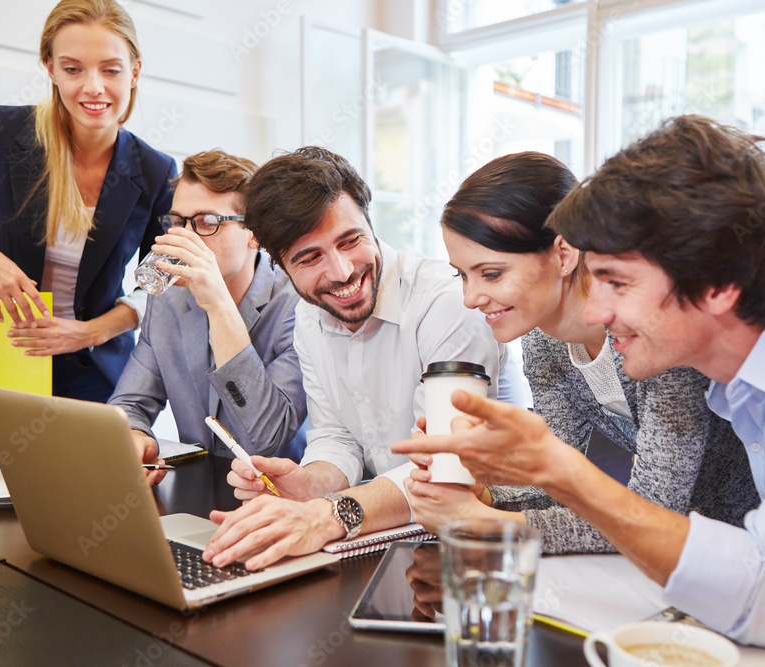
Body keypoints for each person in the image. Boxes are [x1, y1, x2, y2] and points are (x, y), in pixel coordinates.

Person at [393, 115, 765, 648]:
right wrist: (506, 484)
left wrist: (551, 475)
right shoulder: (736, 379)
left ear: (718, 283)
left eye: (616, 283)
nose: (598, 309)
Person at [404, 152, 759, 551]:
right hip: (676, 557)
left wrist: (485, 521)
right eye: (462, 275)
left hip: (744, 548)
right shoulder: (543, 344)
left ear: (564, 254)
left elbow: (651, 511)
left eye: (491, 273)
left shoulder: (651, 334)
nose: (470, 298)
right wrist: (484, 494)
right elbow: (561, 483)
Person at [200, 146, 524, 572]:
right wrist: (308, 483)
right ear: (279, 266)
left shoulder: (447, 302)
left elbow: (448, 471)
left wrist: (327, 514)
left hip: (492, 540)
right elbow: (337, 436)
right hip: (401, 536)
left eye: (350, 241)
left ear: (371, 222)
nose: (341, 272)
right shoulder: (309, 315)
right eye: (310, 258)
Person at [0, 0, 175, 402]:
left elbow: (161, 282)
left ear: (134, 71)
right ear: (51, 67)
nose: (93, 87)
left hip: (96, 366)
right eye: (73, 68)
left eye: (110, 69)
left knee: (89, 467)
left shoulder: (156, 170)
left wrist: (91, 331)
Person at [108, 150, 308, 485]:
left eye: (206, 223)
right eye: (177, 222)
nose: (186, 238)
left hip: (281, 497)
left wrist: (218, 304)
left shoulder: (297, 303)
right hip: (200, 490)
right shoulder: (168, 300)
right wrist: (136, 438)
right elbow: (129, 403)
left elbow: (267, 437)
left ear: (255, 233)